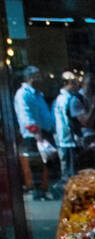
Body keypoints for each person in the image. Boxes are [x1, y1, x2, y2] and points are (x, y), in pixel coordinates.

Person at [14, 66, 54, 199]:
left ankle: (46, 188)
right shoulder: (23, 94)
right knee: (36, 162)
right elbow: (26, 116)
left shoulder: (37, 94)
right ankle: (38, 190)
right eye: (37, 76)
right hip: (34, 135)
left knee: (48, 161)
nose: (40, 79)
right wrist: (36, 132)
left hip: (44, 132)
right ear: (30, 77)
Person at [53, 71, 87, 183]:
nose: (77, 85)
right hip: (68, 138)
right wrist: (76, 135)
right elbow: (68, 120)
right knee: (71, 170)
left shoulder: (62, 98)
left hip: (66, 137)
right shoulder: (65, 99)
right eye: (75, 82)